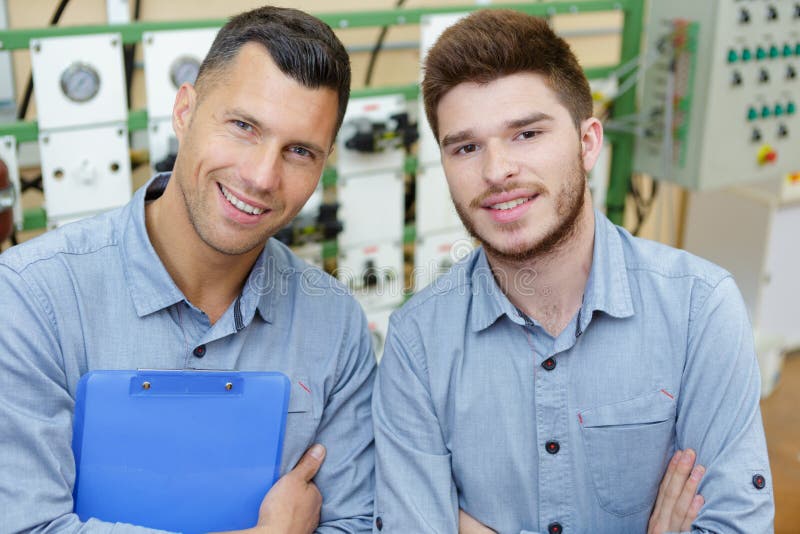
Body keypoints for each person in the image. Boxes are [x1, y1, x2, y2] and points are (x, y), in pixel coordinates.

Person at [372, 9, 773, 533]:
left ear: (588, 143)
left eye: (526, 134)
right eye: (467, 147)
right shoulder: (417, 342)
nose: (497, 172)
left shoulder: (700, 308)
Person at [0, 6, 374, 533]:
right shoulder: (30, 298)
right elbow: (26, 527)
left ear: (325, 161)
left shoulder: (334, 323)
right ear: (184, 110)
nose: (261, 176)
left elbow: (355, 522)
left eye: (299, 151)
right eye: (244, 126)